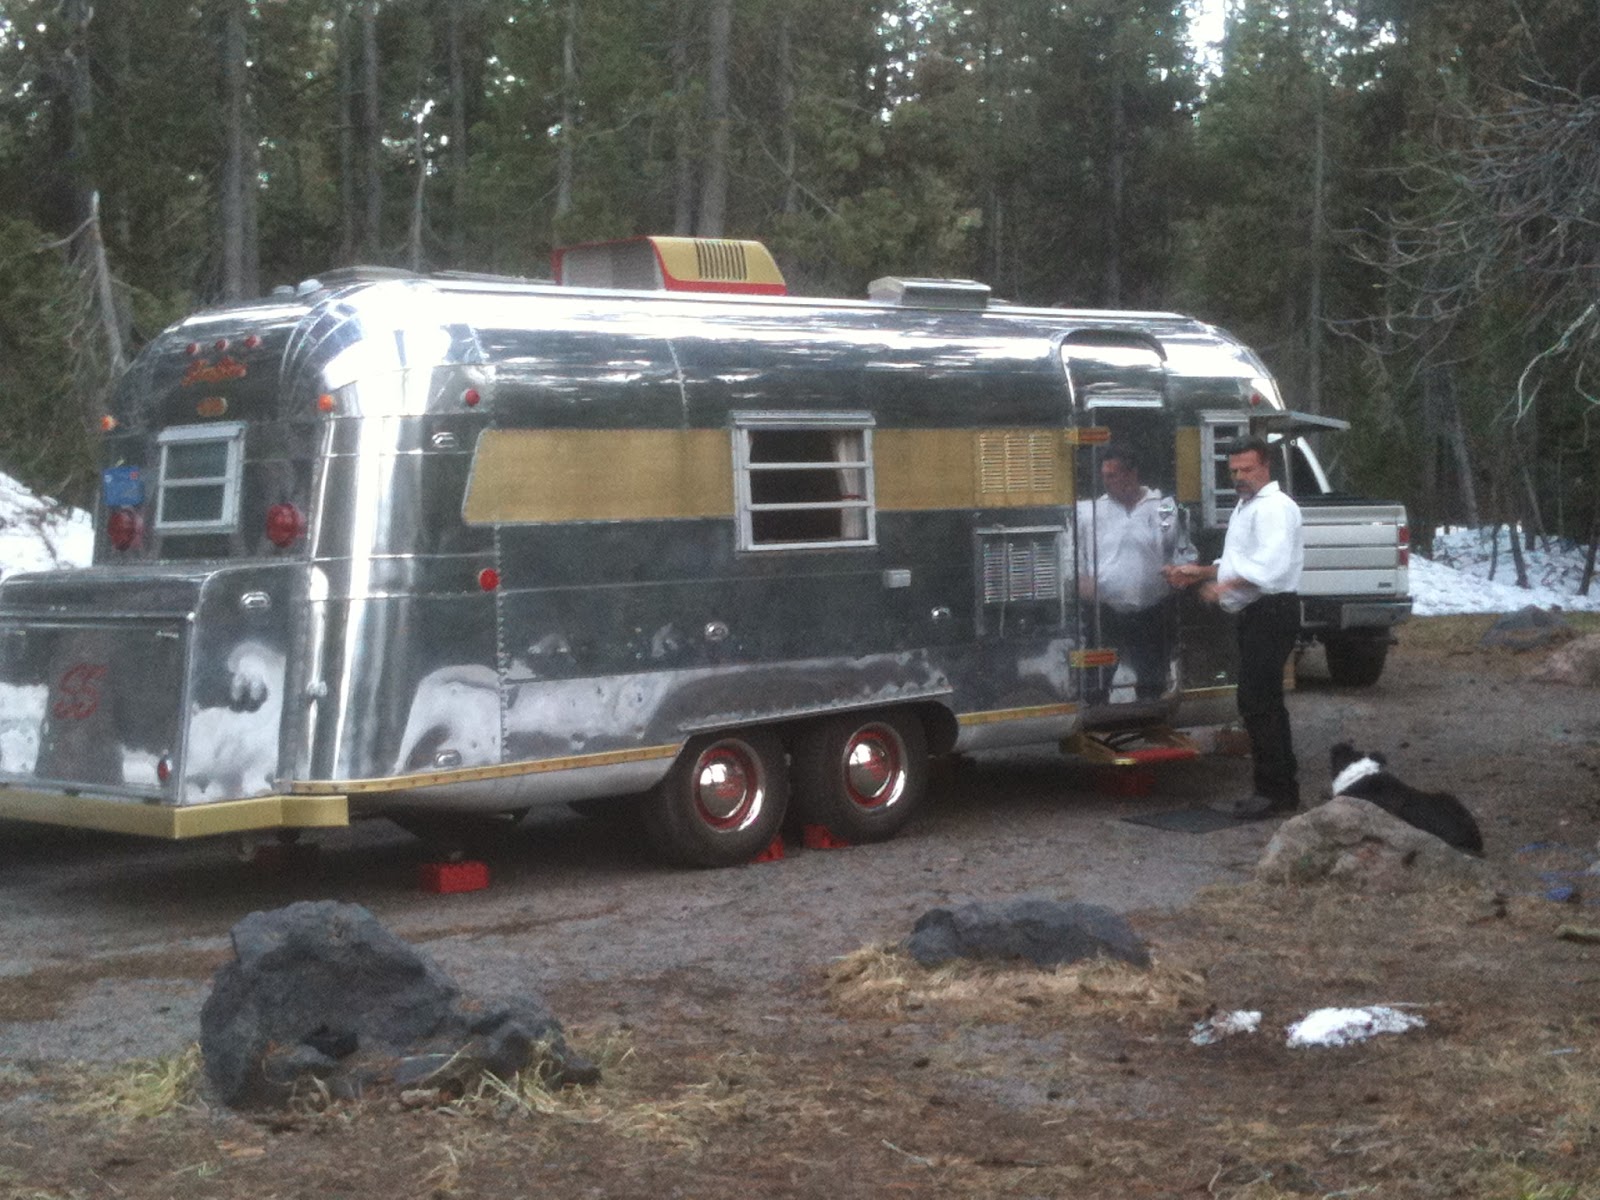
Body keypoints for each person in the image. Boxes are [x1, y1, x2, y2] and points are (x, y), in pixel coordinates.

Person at [1164, 436, 1303, 818]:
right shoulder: (1247, 507)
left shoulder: (1275, 508)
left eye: (1247, 469)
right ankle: (1275, 788)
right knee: (1258, 700)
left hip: (1273, 609)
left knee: (1261, 702)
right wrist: (1201, 573)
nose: (1240, 477)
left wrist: (1225, 585)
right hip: (1257, 611)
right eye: (1234, 471)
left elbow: (1269, 569)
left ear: (1266, 466)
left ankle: (1276, 792)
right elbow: (1241, 561)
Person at [1077, 446, 1185, 704]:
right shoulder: (1089, 511)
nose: (1107, 481)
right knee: (1095, 682)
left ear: (1132, 474)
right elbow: (1075, 553)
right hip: (1105, 612)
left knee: (1151, 679)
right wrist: (1080, 580)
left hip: (1151, 610)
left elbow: (1179, 548)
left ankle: (1150, 725)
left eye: (1113, 475)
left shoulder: (1163, 508)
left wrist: (1178, 570)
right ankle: (1096, 724)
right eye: (1104, 476)